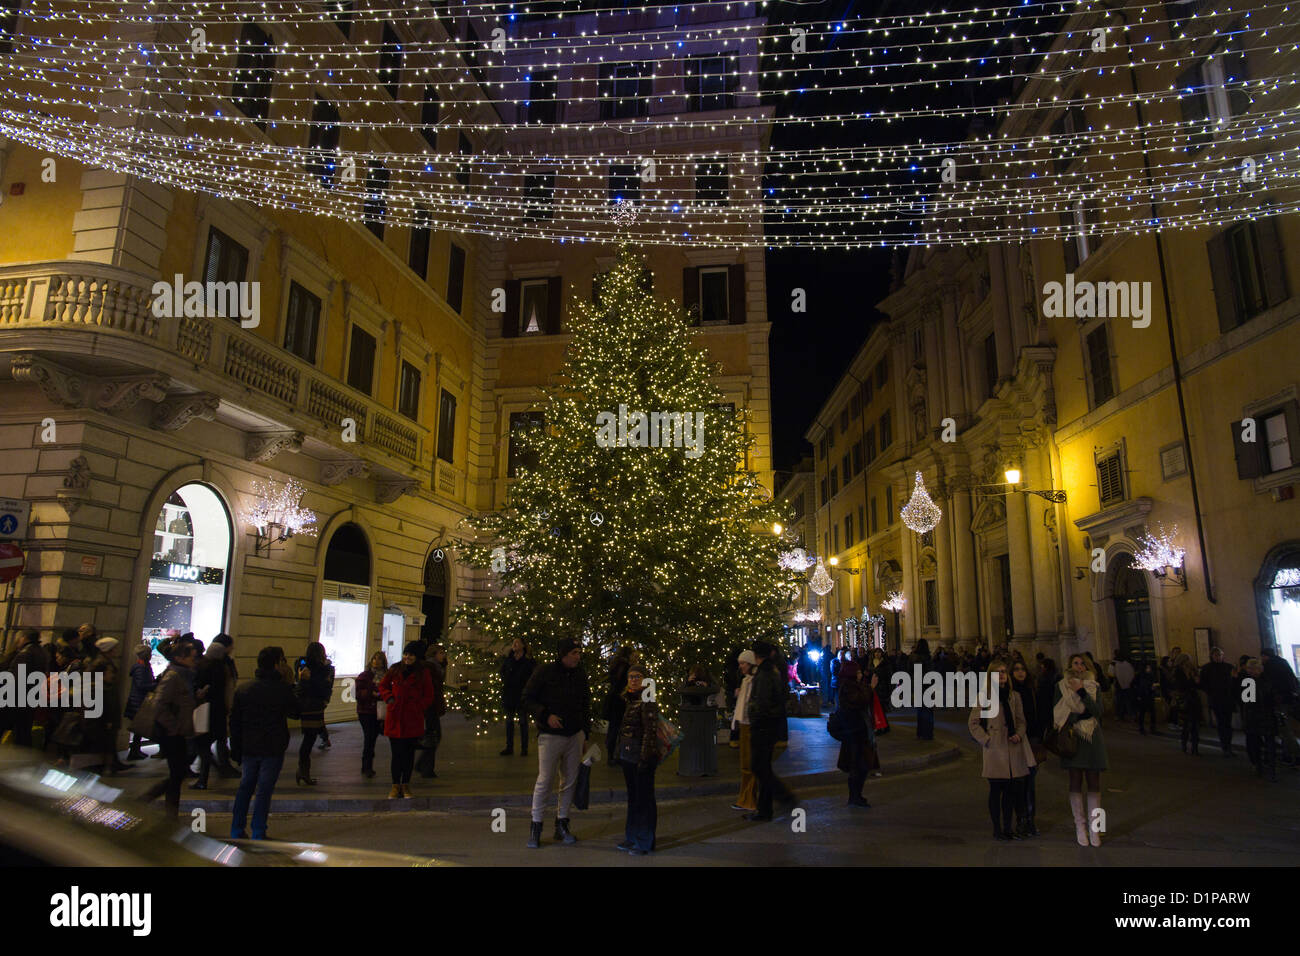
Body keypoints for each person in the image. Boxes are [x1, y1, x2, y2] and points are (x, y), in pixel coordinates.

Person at [521, 637, 592, 848]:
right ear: (563, 655)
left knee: (569, 780)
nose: (578, 657)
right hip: (550, 736)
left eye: (579, 653)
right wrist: (545, 715)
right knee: (545, 781)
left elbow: (585, 703)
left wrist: (585, 734)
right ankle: (536, 826)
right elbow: (527, 698)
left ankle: (562, 823)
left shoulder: (579, 674)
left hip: (574, 734)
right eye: (574, 653)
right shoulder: (545, 672)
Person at [228, 646, 301, 839]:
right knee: (264, 789)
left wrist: (235, 748)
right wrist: (296, 684)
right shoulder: (282, 690)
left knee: (245, 787)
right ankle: (258, 830)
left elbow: (234, 722)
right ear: (277, 664)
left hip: (249, 745)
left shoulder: (244, 689)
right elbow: (296, 712)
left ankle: (237, 828)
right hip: (272, 746)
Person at [969, 660, 1034, 840]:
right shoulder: (984, 696)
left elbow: (1021, 720)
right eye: (998, 672)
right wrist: (986, 740)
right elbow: (973, 723)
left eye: (1004, 672)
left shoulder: (1014, 696)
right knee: (996, 791)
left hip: (1012, 748)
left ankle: (1008, 828)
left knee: (1010, 792)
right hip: (995, 749)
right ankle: (997, 828)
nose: (1002, 675)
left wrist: (1019, 734)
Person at [140, 637, 199, 817]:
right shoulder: (174, 675)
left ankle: (168, 811)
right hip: (172, 733)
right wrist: (173, 727)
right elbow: (159, 704)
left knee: (178, 773)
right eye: (191, 657)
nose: (194, 660)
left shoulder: (184, 675)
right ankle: (153, 803)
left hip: (179, 731)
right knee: (178, 773)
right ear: (180, 658)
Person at [1053, 653, 1108, 847]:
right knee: (1075, 782)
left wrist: (1082, 693)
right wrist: (1081, 716)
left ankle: (1096, 829)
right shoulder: (1060, 687)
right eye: (1075, 663)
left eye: (1083, 663)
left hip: (1093, 739)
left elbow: (1099, 711)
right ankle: (1080, 826)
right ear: (1069, 666)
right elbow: (1059, 714)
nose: (1079, 666)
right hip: (1072, 739)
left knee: (1095, 785)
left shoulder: (1094, 686)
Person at [744, 640, 797, 822]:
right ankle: (764, 810)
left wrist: (754, 715)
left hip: (763, 726)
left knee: (759, 767)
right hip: (769, 725)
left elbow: (763, 702)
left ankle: (785, 797)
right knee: (763, 767)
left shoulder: (765, 673)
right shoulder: (770, 670)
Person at [614, 663, 660, 855]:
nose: (633, 679)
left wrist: (645, 757)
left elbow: (650, 732)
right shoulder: (630, 700)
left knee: (644, 799)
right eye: (631, 676)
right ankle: (633, 836)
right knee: (634, 798)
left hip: (640, 757)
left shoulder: (647, 700)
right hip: (628, 756)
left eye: (637, 676)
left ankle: (644, 840)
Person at [378, 642, 434, 798]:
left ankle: (406, 784)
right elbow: (383, 686)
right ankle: (395, 785)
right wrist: (390, 699)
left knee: (408, 755)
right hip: (395, 717)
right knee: (396, 754)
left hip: (412, 719)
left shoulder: (423, 673)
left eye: (411, 655)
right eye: (405, 654)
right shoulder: (395, 669)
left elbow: (429, 694)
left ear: (416, 657)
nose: (407, 657)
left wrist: (419, 707)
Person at [193, 633, 239, 788]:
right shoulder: (222, 667)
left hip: (206, 710)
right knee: (216, 740)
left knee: (203, 744)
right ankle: (218, 768)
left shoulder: (205, 667)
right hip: (219, 710)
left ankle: (204, 778)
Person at [82, 636, 131, 775]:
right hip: (102, 706)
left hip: (104, 704)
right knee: (102, 739)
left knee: (107, 739)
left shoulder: (103, 662)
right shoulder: (100, 664)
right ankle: (104, 765)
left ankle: (111, 763)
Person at [836, 657, 876, 808]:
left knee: (862, 764)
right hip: (854, 731)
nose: (861, 674)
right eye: (858, 672)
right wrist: (871, 688)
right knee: (857, 765)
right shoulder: (848, 687)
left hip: (859, 730)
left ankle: (857, 795)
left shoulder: (855, 685)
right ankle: (854, 796)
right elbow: (860, 701)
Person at [1010, 658, 1042, 836]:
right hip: (1016, 741)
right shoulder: (1009, 693)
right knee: (1017, 784)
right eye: (1016, 669)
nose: (1020, 672)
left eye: (1022, 669)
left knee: (1030, 783)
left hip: (1032, 741)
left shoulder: (1032, 690)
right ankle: (1020, 819)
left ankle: (1029, 820)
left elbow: (1040, 715)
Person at [294, 642, 333, 786]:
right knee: (309, 739)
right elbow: (324, 686)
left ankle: (304, 770)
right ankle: (303, 771)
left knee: (309, 738)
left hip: (306, 705)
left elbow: (299, 676)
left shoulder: (303, 663)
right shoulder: (323, 668)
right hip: (315, 705)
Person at [1, 630, 48, 749]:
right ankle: (23, 757)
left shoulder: (25, 653)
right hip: (30, 698)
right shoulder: (41, 652)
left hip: (15, 698)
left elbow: (16, 678)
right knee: (23, 730)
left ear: (24, 638)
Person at [729, 650, 759, 811]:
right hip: (744, 724)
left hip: (750, 725)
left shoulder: (752, 681)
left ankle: (749, 799)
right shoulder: (746, 680)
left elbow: (749, 705)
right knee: (745, 763)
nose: (741, 666)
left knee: (749, 763)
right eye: (740, 663)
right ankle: (745, 798)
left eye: (743, 663)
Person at [1240, 659, 1278, 781]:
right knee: (1258, 742)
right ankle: (1261, 765)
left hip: (1261, 716)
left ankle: (1268, 767)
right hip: (1257, 716)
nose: (1253, 671)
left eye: (1255, 668)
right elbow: (1248, 702)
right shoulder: (1250, 682)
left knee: (1266, 742)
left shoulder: (1261, 680)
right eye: (1250, 669)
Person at [498, 638, 535, 756]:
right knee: (509, 721)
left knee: (523, 721)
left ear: (523, 645)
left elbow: (532, 675)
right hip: (510, 693)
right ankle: (509, 747)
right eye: (513, 642)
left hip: (522, 695)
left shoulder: (528, 661)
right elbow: (502, 671)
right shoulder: (509, 659)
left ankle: (524, 748)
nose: (514, 644)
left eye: (517, 642)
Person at [415, 645, 447, 778]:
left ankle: (424, 766)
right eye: (441, 653)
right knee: (433, 736)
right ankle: (425, 767)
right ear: (434, 654)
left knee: (433, 736)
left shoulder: (437, 667)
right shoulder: (430, 667)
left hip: (432, 706)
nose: (443, 655)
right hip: (430, 707)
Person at [1199, 647, 1237, 757]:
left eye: (1220, 655)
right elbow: (1203, 684)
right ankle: (1225, 746)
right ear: (1212, 656)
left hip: (1228, 699)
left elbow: (1234, 683)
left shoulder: (1229, 667)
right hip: (1216, 700)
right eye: (1216, 655)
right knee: (1222, 723)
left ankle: (1228, 745)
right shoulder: (1207, 668)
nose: (1218, 657)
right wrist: (1211, 692)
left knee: (1227, 723)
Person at [355, 651, 388, 778]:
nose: (376, 661)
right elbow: (358, 693)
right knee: (369, 738)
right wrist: (371, 693)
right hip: (366, 711)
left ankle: (368, 766)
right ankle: (367, 766)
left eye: (379, 659)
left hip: (381, 710)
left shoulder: (387, 676)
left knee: (373, 737)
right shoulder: (365, 676)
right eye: (374, 659)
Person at [124, 644, 156, 760]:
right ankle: (134, 751)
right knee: (138, 728)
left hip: (139, 700)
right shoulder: (141, 667)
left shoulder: (143, 666)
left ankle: (136, 750)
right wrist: (155, 684)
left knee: (139, 729)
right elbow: (141, 685)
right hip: (138, 701)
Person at [604, 645, 634, 767]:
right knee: (618, 730)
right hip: (620, 702)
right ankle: (616, 756)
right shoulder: (626, 667)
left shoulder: (615, 665)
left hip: (613, 701)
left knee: (613, 729)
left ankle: (611, 755)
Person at [1173, 653, 1201, 756]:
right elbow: (1180, 686)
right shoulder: (1178, 672)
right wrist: (1191, 680)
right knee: (1186, 725)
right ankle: (1184, 745)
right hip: (1184, 701)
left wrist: (1196, 680)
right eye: (1188, 660)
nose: (1190, 662)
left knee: (1195, 725)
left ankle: (1195, 748)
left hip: (1194, 700)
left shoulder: (1193, 671)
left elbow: (1197, 684)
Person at [911, 638, 934, 740]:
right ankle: (928, 733)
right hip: (927, 686)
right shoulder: (928, 658)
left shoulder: (913, 657)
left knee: (920, 711)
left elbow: (910, 672)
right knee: (928, 711)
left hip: (918, 686)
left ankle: (920, 733)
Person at [316, 651, 337, 750]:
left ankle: (324, 738)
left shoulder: (327, 669)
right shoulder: (327, 669)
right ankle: (324, 738)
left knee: (318, 718)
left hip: (321, 697)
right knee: (319, 718)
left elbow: (327, 684)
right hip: (323, 697)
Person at [1133, 661, 1158, 736]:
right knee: (1142, 713)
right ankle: (1141, 728)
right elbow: (1136, 685)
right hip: (1143, 697)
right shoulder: (1139, 676)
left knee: (1152, 713)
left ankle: (1152, 727)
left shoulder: (1150, 675)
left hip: (1149, 696)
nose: (1149, 669)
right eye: (1148, 667)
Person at [1112, 652, 1135, 721]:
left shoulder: (1116, 664)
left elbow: (1112, 674)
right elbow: (1131, 675)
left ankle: (1119, 715)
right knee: (1128, 701)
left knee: (1119, 702)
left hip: (1119, 686)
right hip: (1128, 686)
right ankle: (1131, 715)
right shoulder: (1128, 665)